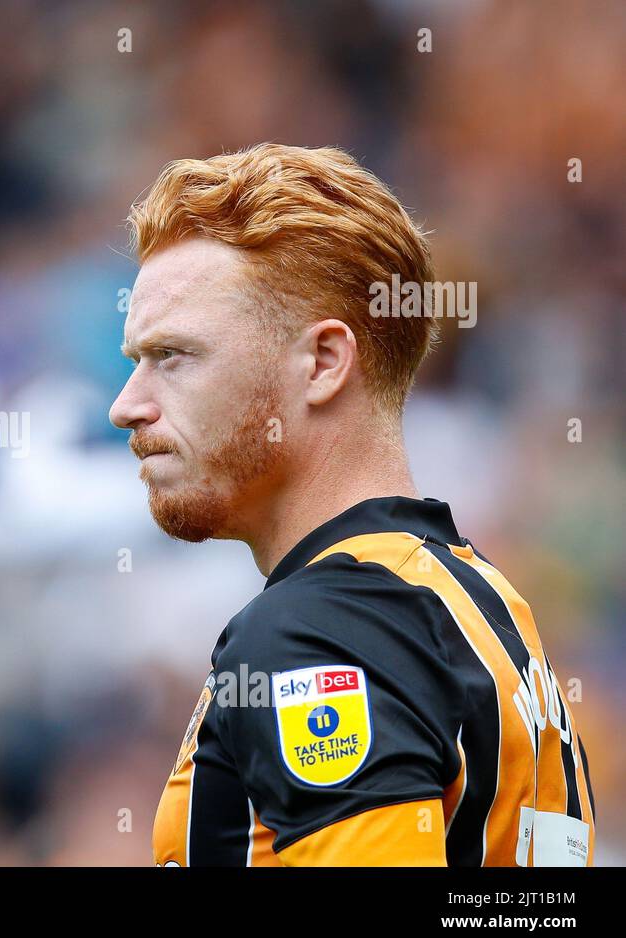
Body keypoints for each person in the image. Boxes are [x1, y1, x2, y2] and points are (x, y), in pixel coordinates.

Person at [110, 144, 595, 866]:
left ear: (325, 362)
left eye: (174, 357)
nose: (127, 407)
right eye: (134, 362)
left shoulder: (320, 633)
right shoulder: (482, 603)